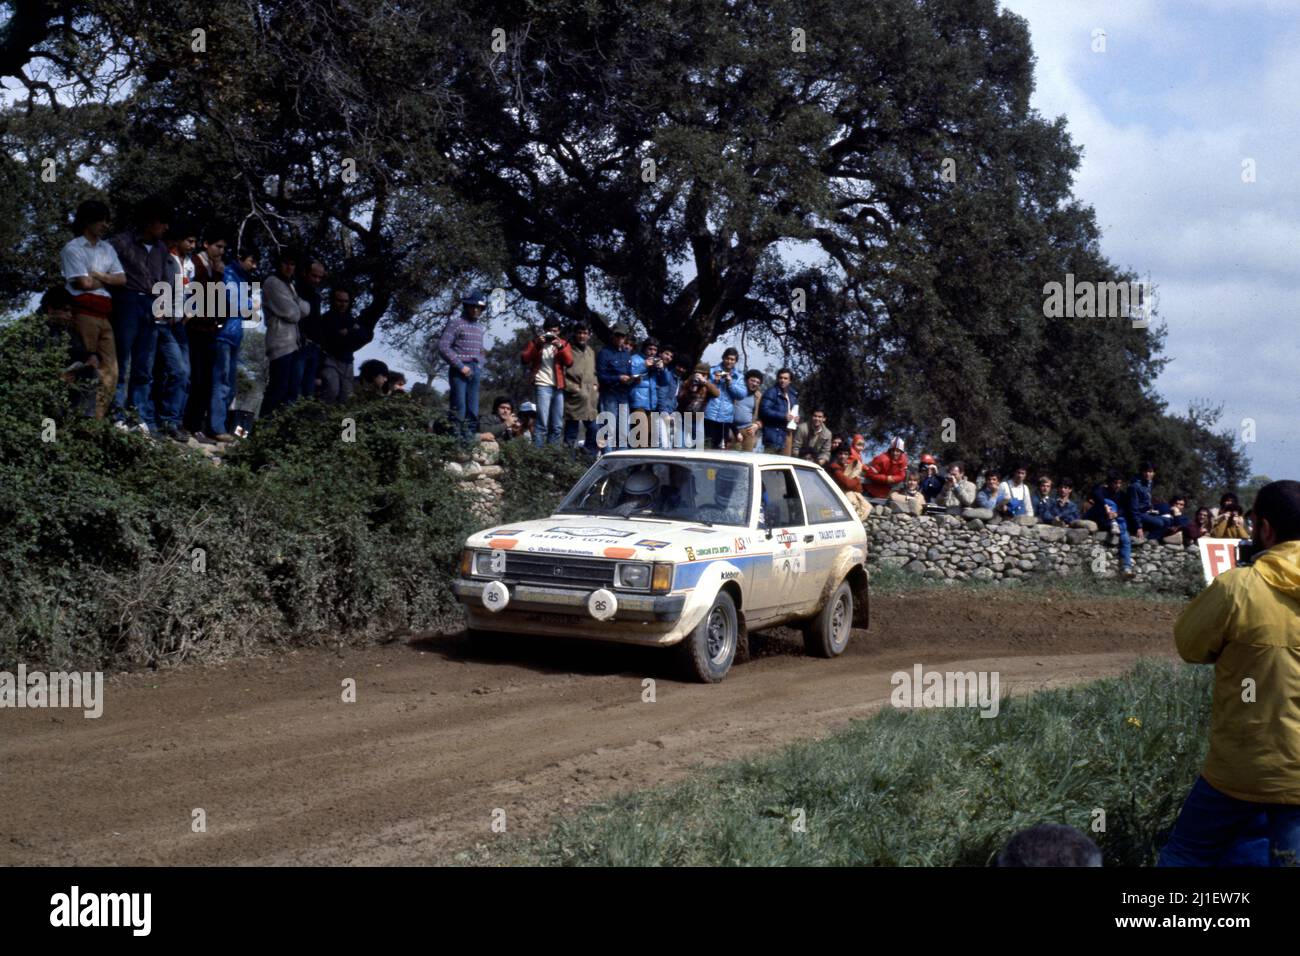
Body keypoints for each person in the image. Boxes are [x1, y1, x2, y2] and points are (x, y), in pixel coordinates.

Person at [1159, 480, 1300, 867]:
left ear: (1266, 529)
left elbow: (1190, 646)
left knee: (1185, 854)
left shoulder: (1238, 586)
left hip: (1239, 771)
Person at [108, 196, 170, 431]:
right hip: (127, 301)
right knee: (121, 361)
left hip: (151, 304)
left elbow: (163, 277)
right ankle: (117, 415)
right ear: (149, 221)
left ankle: (139, 417)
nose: (166, 228)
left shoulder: (161, 249)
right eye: (162, 222)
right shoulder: (121, 242)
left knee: (145, 365)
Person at [60, 199, 125, 418]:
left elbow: (122, 278)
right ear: (88, 222)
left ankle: (94, 422)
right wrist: (107, 279)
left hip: (105, 314)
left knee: (110, 371)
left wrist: (97, 275)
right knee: (82, 367)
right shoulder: (73, 248)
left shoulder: (107, 248)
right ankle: (70, 418)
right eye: (101, 221)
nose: (105, 225)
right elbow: (82, 284)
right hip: (83, 314)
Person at [209, 249, 258, 442]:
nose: (254, 266)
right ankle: (216, 427)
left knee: (229, 386)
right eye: (251, 261)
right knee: (221, 383)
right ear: (240, 258)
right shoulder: (228, 274)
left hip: (234, 335)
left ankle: (222, 426)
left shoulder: (242, 278)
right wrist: (249, 304)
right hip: (223, 336)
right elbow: (232, 302)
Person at [153, 226, 197, 441]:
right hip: (164, 322)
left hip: (180, 324)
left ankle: (175, 420)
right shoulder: (165, 258)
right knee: (175, 371)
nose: (192, 245)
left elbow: (190, 291)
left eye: (194, 241)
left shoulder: (189, 265)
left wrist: (190, 311)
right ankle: (165, 420)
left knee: (185, 374)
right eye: (188, 240)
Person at [185, 228, 226, 439]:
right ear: (206, 244)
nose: (220, 251)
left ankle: (195, 424)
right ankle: (184, 422)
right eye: (218, 246)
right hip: (193, 327)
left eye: (223, 248)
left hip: (210, 329)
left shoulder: (216, 268)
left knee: (206, 380)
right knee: (193, 376)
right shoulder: (195, 263)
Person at [259, 250, 309, 418]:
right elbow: (293, 313)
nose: (289, 268)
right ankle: (262, 428)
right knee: (277, 388)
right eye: (286, 263)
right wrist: (296, 305)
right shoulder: (273, 283)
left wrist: (295, 304)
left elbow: (306, 309)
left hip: (293, 343)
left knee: (291, 390)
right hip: (280, 342)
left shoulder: (290, 285)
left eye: (292, 264)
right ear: (279, 264)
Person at [38, 286, 100, 418]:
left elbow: (77, 351)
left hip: (66, 380)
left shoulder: (65, 329)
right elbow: (29, 367)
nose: (69, 315)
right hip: (42, 385)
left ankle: (83, 421)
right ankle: (52, 430)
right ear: (50, 309)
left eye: (71, 311)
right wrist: (56, 378)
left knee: (90, 373)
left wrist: (90, 357)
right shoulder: (33, 331)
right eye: (65, 310)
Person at [438, 288, 488, 442]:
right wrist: (460, 366)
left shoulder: (480, 328)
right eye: (472, 306)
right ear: (466, 306)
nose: (475, 309)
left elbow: (481, 350)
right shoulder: (456, 324)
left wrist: (480, 364)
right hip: (459, 370)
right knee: (459, 407)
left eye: (478, 307)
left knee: (473, 409)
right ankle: (455, 443)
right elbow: (443, 346)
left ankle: (468, 442)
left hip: (475, 370)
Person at [521, 317, 574, 446]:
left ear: (559, 331)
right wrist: (537, 345)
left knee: (557, 425)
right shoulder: (536, 342)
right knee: (542, 423)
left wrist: (560, 347)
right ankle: (539, 456)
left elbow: (569, 362)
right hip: (542, 384)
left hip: (558, 386)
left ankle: (553, 457)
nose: (552, 334)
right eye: (549, 331)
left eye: (555, 331)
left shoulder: (564, 344)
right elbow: (525, 359)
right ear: (544, 330)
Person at [316, 286, 372, 404]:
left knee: (347, 397)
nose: (343, 304)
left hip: (347, 363)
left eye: (346, 301)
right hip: (329, 360)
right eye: (339, 301)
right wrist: (349, 332)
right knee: (331, 390)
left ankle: (341, 422)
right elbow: (333, 338)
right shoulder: (326, 318)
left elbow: (364, 335)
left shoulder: (350, 319)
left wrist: (348, 332)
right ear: (333, 300)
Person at [1085, 483, 1136, 579]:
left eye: (1120, 483)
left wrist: (1115, 514)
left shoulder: (1120, 497)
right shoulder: (1097, 499)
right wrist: (1105, 506)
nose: (1118, 485)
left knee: (1125, 538)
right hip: (1103, 522)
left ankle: (1126, 568)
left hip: (1115, 523)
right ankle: (1115, 523)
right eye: (1115, 482)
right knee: (1110, 504)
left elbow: (1123, 509)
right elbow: (1096, 493)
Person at [596, 324, 634, 448]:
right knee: (608, 429)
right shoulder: (604, 353)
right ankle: (607, 461)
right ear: (612, 336)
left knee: (624, 431)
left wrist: (633, 380)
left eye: (622, 336)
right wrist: (618, 378)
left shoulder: (626, 354)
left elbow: (629, 373)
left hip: (623, 395)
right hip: (609, 394)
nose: (620, 338)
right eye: (617, 335)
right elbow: (601, 376)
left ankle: (623, 464)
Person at [563, 324, 599, 454]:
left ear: (589, 335)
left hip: (590, 401)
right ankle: (567, 466)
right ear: (575, 333)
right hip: (574, 400)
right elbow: (562, 374)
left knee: (594, 430)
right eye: (579, 333)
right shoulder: (568, 349)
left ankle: (586, 462)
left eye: (585, 333)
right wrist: (575, 389)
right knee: (571, 435)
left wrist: (595, 386)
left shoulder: (591, 352)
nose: (582, 336)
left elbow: (594, 373)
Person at [294, 260, 327, 399]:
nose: (317, 280)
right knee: (295, 385)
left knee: (308, 388)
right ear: (305, 273)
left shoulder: (316, 295)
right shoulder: (297, 291)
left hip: (313, 345)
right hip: (300, 343)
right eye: (314, 276)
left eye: (320, 277)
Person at [703, 347, 747, 449]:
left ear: (735, 361)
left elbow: (741, 395)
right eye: (727, 358)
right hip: (709, 414)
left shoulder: (739, 377)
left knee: (719, 449)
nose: (729, 361)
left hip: (725, 418)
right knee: (704, 445)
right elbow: (704, 387)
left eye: (732, 359)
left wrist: (730, 383)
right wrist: (715, 382)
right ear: (723, 358)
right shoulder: (712, 371)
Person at [1126, 462, 1174, 542]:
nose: (1148, 474)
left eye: (1151, 472)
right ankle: (1146, 540)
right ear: (1142, 472)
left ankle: (1150, 539)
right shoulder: (1135, 486)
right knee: (1160, 523)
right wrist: (1138, 527)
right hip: (1138, 515)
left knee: (1168, 520)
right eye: (1146, 471)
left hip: (1146, 513)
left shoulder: (1148, 484)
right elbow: (1133, 509)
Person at [626, 338, 659, 448]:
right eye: (650, 349)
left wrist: (661, 369)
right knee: (640, 436)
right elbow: (629, 374)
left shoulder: (656, 362)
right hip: (637, 401)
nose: (652, 352)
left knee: (650, 437)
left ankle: (645, 463)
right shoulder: (634, 359)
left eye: (655, 350)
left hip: (651, 404)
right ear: (644, 348)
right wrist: (644, 365)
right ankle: (635, 462)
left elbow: (664, 382)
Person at [759, 368, 798, 454]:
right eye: (780, 378)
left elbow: (793, 411)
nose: (782, 380)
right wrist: (783, 416)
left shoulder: (793, 395)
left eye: (785, 378)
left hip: (787, 434)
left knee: (784, 463)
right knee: (770, 463)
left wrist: (796, 418)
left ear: (790, 381)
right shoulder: (771, 392)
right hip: (773, 434)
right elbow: (764, 411)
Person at [828, 446, 872, 521]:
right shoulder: (834, 466)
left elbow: (859, 489)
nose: (843, 456)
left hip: (845, 492)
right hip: (833, 496)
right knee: (852, 502)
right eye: (840, 453)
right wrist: (857, 479)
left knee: (867, 506)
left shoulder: (846, 468)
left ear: (848, 456)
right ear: (836, 455)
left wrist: (853, 482)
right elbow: (848, 484)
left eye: (845, 454)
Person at [653, 345, 679, 448]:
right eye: (666, 354)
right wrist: (664, 412)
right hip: (659, 412)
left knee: (668, 444)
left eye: (671, 356)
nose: (668, 357)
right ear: (660, 353)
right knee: (662, 444)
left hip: (668, 412)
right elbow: (662, 394)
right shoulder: (656, 367)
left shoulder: (668, 372)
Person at [730, 369, 763, 452]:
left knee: (747, 458)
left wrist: (757, 425)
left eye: (757, 382)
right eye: (752, 380)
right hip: (732, 429)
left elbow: (763, 415)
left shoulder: (758, 396)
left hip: (749, 430)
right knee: (730, 456)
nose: (754, 384)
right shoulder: (737, 391)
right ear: (746, 380)